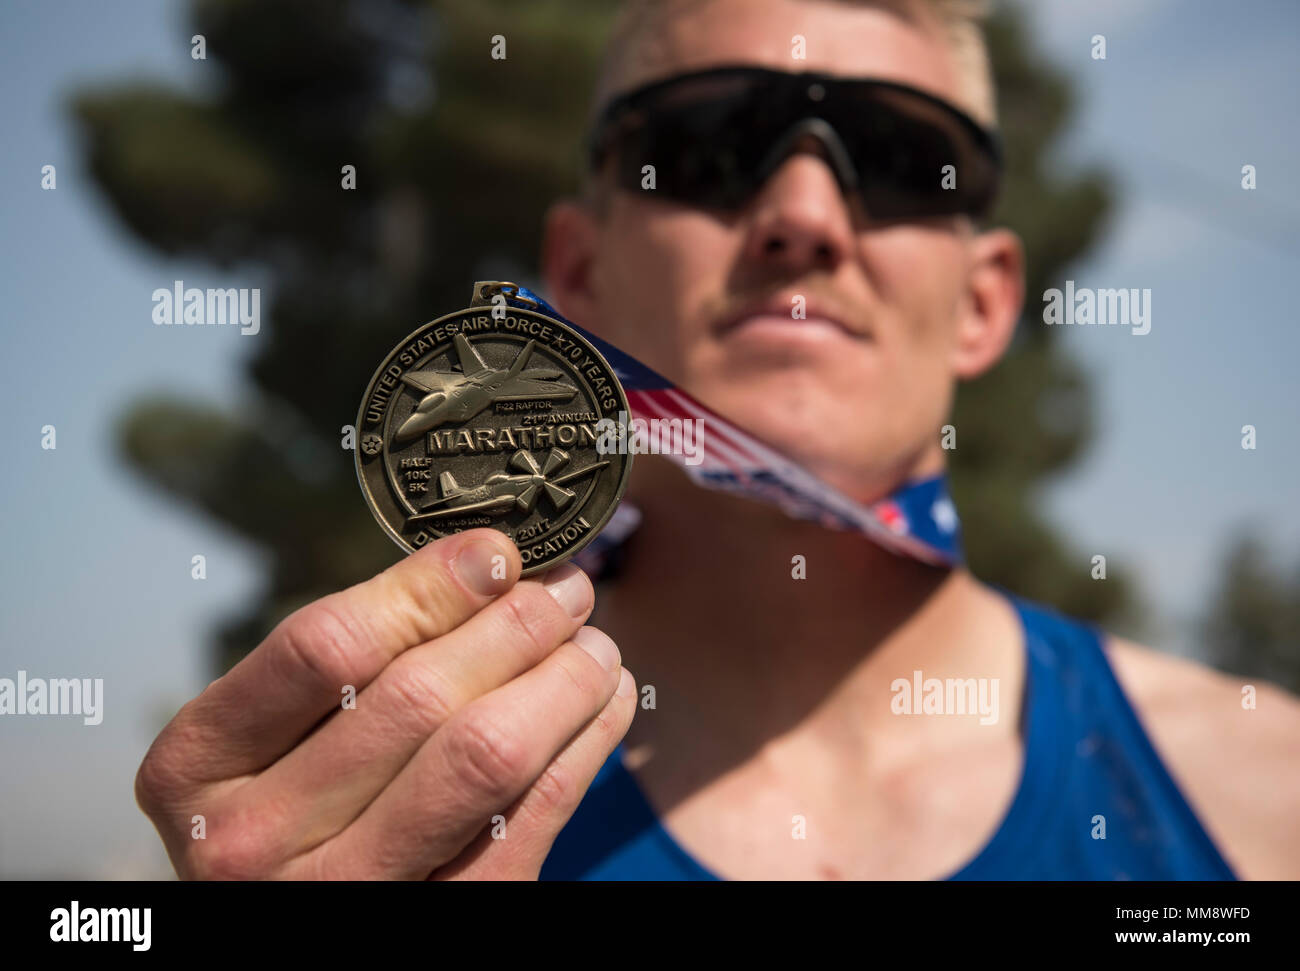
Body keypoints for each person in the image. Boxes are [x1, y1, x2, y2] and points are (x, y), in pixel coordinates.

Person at [135, 0, 1300, 880]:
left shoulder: (1263, 794)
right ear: (579, 272)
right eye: (706, 146)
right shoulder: (367, 796)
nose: (802, 215)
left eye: (897, 158)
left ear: (989, 300)